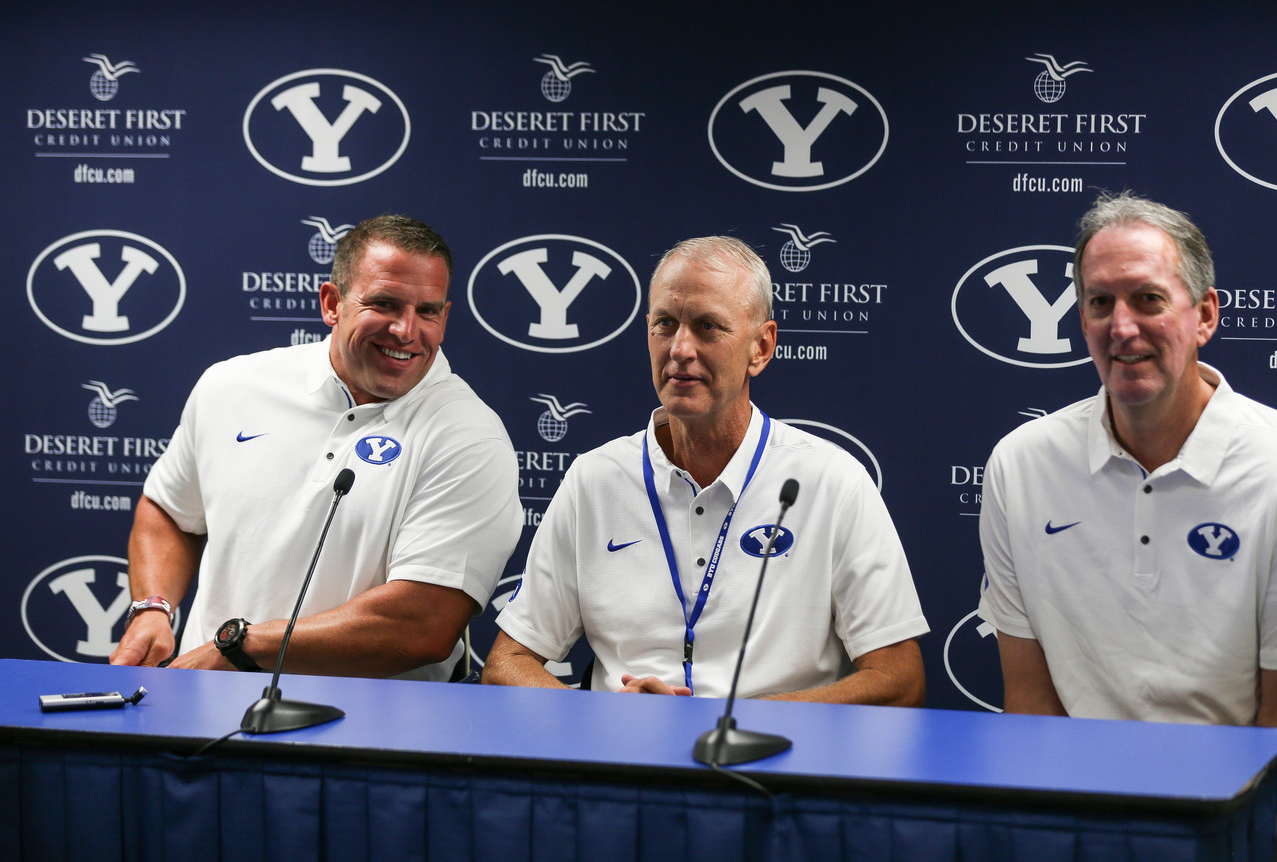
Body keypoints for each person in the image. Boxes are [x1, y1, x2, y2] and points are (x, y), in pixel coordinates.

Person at [977, 193, 1277, 858]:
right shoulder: (1020, 465)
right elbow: (1028, 697)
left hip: (1263, 793)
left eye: (1148, 299)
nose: (1122, 327)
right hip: (1083, 795)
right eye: (1100, 303)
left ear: (1205, 315)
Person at [484, 235, 928, 702]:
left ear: (761, 347)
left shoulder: (833, 483)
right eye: (665, 324)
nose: (679, 348)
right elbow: (506, 663)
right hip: (624, 760)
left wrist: (724, 726)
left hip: (773, 762)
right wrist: (601, 720)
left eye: (707, 327)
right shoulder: (594, 480)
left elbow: (899, 680)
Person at [110, 214, 522, 681]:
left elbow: (421, 625)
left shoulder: (470, 437)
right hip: (203, 703)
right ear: (332, 303)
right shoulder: (231, 385)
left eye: (427, 311)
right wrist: (152, 607)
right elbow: (168, 510)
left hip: (371, 739)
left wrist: (238, 646)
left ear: (445, 317)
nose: (407, 331)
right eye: (385, 304)